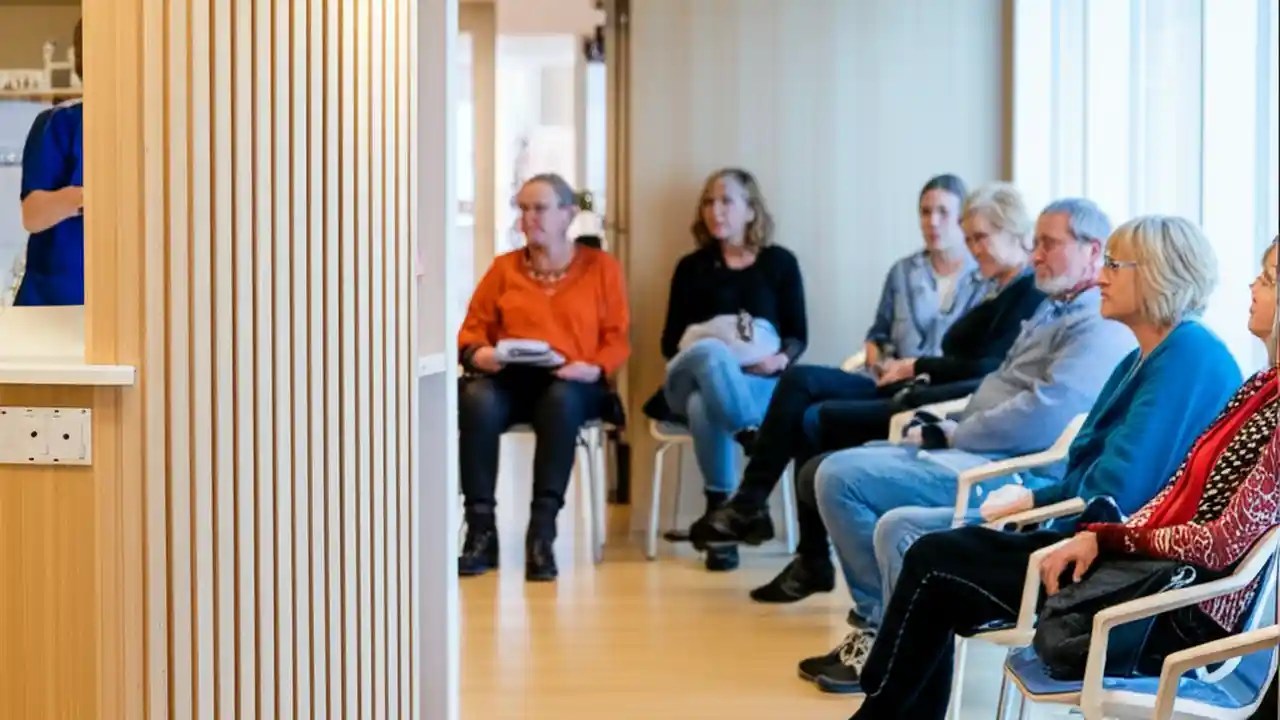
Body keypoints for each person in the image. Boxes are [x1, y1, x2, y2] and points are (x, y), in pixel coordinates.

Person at [842, 234, 1279, 720]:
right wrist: (1096, 531)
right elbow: (1171, 492)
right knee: (937, 567)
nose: (1102, 275)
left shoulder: (1194, 358)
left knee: (933, 561)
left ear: (1155, 276)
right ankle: (882, 706)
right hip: (1135, 561)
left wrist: (1104, 535)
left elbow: (1186, 522)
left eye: (1115, 263)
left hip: (1164, 600)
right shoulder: (1254, 381)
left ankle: (879, 705)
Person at [689, 183, 1046, 594]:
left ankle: (800, 549)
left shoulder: (1012, 288)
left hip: (928, 393)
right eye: (970, 238)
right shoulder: (974, 282)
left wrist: (917, 365)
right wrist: (882, 360)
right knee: (799, 380)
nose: (971, 245)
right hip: (901, 377)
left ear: (1013, 230)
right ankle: (755, 507)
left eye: (978, 237)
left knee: (810, 418)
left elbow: (988, 369)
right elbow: (880, 332)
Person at [455, 173, 630, 582]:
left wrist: (594, 367)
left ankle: (542, 532)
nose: (529, 218)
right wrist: (479, 352)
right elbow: (473, 328)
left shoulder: (601, 268)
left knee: (561, 400)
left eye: (540, 208)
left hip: (574, 381)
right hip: (512, 378)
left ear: (568, 214)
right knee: (476, 398)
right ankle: (481, 532)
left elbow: (617, 338)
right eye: (523, 208)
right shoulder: (503, 269)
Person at [648, 168, 807, 571]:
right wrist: (716, 348)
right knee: (712, 357)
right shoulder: (690, 267)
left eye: (725, 201)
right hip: (687, 375)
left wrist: (778, 359)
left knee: (707, 406)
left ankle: (724, 516)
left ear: (751, 210)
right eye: (708, 202)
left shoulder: (780, 264)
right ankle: (753, 450)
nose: (714, 210)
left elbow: (798, 335)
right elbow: (669, 344)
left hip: (757, 382)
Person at [862, 174, 989, 371]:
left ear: (964, 220)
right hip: (894, 386)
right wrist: (881, 366)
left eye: (943, 212)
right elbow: (878, 336)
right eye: (925, 212)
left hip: (950, 388)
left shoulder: (986, 277)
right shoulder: (901, 273)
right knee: (809, 382)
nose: (933, 222)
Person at [15, 19, 85, 306]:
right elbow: (33, 214)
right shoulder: (58, 124)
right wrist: (85, 197)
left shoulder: (154, 129)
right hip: (52, 301)